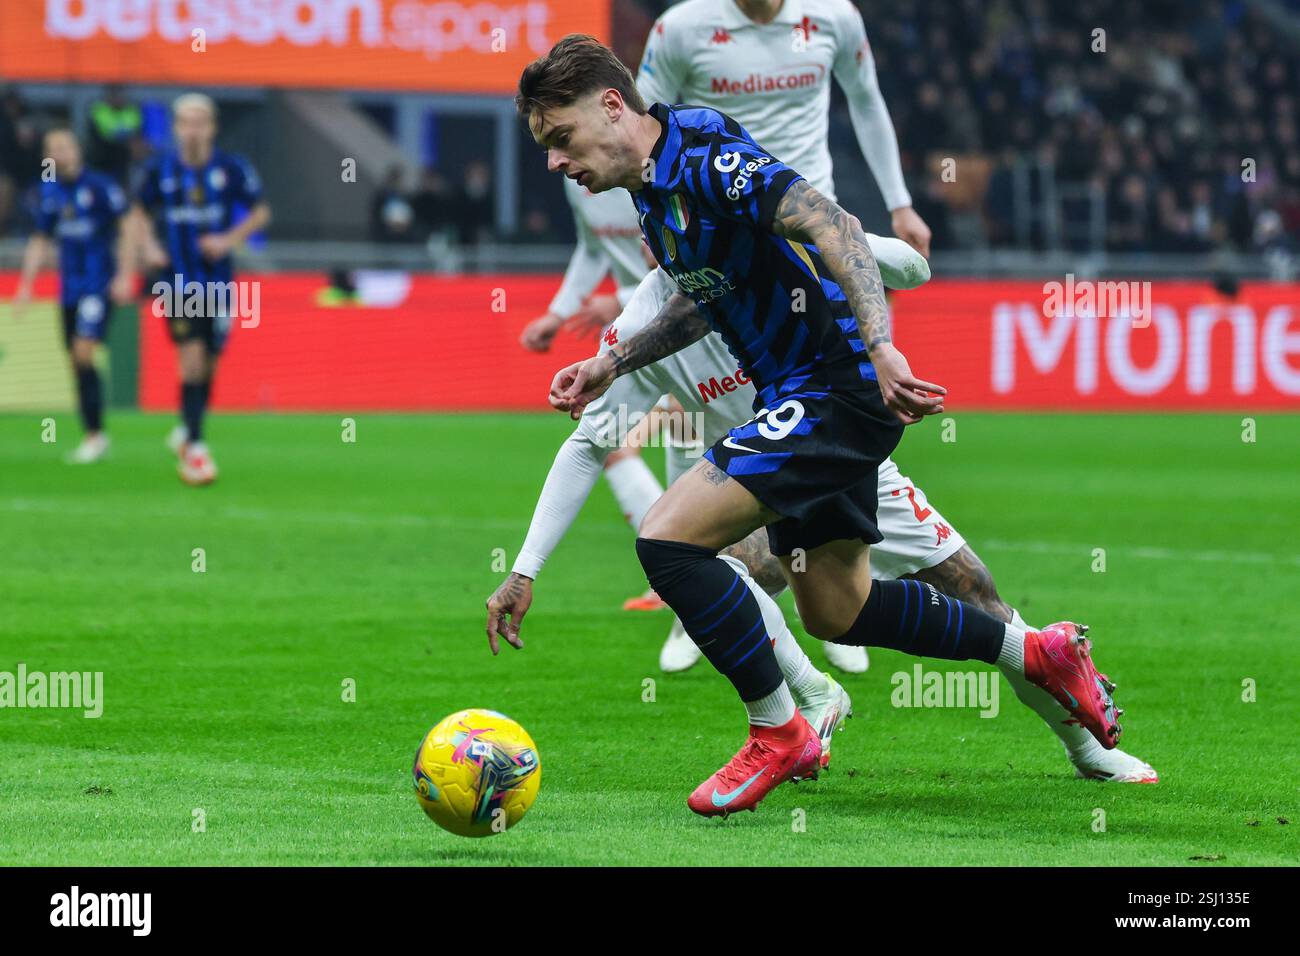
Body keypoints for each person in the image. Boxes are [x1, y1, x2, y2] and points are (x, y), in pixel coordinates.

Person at [512, 36, 1131, 817]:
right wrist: (615, 362)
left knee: (668, 540)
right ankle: (1035, 650)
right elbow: (707, 294)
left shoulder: (708, 164)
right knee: (840, 610)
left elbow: (832, 225)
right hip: (799, 398)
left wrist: (881, 346)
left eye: (560, 139)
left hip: (833, 392)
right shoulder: (655, 192)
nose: (556, 164)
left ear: (611, 106)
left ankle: (780, 730)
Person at [119, 93, 271, 485]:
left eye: (200, 121)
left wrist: (228, 240)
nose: (193, 128)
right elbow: (136, 214)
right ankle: (197, 450)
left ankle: (187, 427)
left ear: (213, 127)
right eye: (186, 121)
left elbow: (260, 212)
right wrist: (148, 246)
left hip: (219, 281)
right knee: (190, 357)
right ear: (175, 128)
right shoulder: (159, 170)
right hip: (178, 282)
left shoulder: (232, 168)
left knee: (209, 362)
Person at [12, 128, 129, 463]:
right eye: (52, 149)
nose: (59, 154)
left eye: (64, 147)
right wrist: (25, 285)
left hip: (98, 285)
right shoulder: (49, 194)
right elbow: (40, 240)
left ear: (77, 150)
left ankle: (95, 435)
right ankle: (94, 432)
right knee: (76, 362)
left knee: (83, 353)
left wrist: (124, 274)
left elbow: (125, 229)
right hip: (69, 291)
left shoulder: (100, 186)